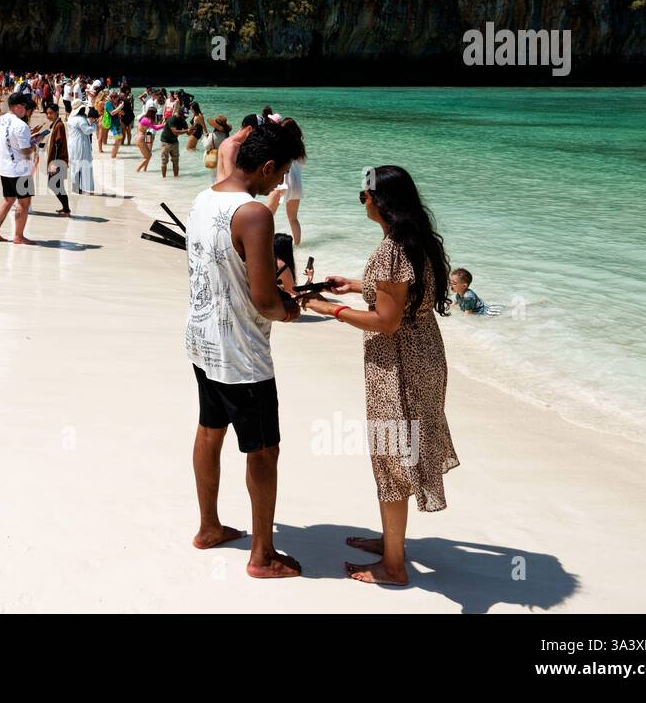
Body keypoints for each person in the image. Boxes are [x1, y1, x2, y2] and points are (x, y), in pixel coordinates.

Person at [301, 165, 459, 586]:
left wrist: (328, 308)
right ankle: (393, 542)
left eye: (364, 196)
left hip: (399, 360)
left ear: (381, 202)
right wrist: (354, 285)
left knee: (391, 453)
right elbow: (402, 293)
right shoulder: (417, 240)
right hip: (425, 352)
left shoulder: (392, 249)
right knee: (402, 448)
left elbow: (387, 321)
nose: (362, 201)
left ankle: (393, 566)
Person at [186, 123, 305, 579]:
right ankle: (262, 555)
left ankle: (209, 526)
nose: (281, 185)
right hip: (242, 354)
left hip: (202, 341)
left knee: (210, 430)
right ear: (269, 166)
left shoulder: (205, 197)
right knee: (263, 451)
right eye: (282, 175)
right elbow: (264, 300)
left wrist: (242, 135)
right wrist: (291, 309)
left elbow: (232, 149)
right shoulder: (254, 213)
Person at [0, 94, 39, 244]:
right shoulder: (21, 125)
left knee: (7, 200)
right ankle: (18, 236)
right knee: (24, 203)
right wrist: (35, 142)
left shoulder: (1, 119)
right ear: (18, 106)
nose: (26, 109)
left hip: (5, 168)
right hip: (20, 170)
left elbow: (11, 142)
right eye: (25, 106)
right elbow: (25, 151)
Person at [44, 104, 71, 216]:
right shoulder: (55, 125)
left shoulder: (59, 125)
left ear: (56, 113)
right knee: (56, 185)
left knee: (54, 184)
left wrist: (54, 163)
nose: (49, 115)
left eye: (51, 113)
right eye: (47, 113)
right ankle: (65, 208)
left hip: (58, 161)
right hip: (57, 160)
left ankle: (66, 209)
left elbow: (57, 145)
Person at [67, 101, 96, 194]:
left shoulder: (71, 118)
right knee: (84, 164)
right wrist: (94, 124)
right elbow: (88, 131)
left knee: (75, 165)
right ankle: (84, 187)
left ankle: (75, 187)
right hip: (80, 144)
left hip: (72, 143)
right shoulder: (81, 119)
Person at [158, 109, 188, 178]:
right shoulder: (172, 119)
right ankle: (164, 178)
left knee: (176, 162)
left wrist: (193, 130)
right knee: (164, 161)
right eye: (184, 116)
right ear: (179, 114)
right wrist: (187, 130)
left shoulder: (183, 121)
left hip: (175, 142)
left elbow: (188, 132)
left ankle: (176, 178)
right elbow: (175, 132)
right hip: (165, 142)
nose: (185, 118)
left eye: (186, 117)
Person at [136, 106, 161, 172]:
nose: (155, 115)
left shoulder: (144, 118)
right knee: (148, 156)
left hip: (140, 138)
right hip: (142, 138)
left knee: (147, 155)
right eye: (155, 114)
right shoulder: (147, 120)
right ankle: (137, 171)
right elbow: (156, 128)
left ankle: (143, 170)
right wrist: (165, 125)